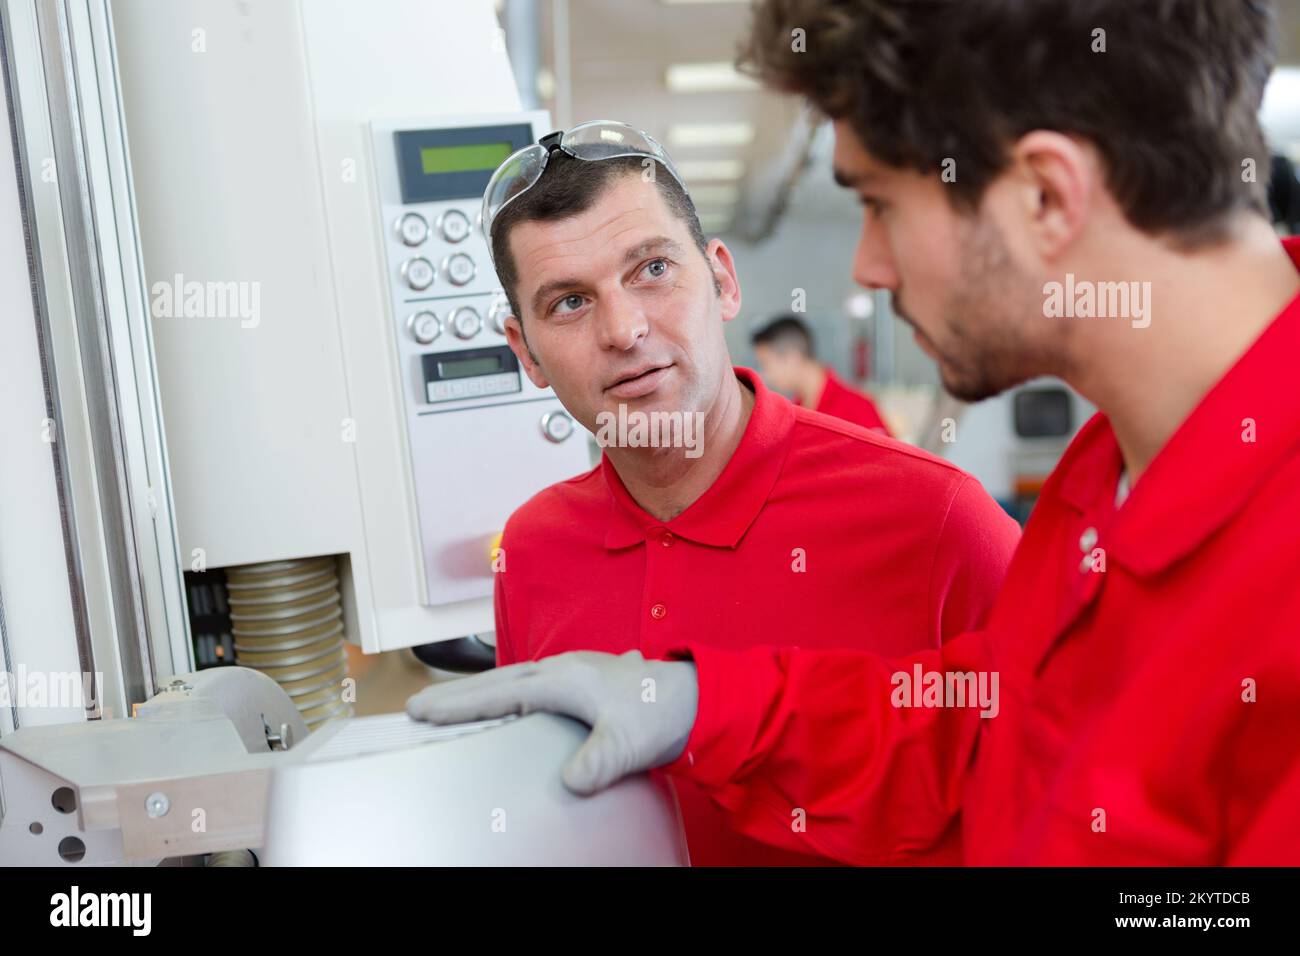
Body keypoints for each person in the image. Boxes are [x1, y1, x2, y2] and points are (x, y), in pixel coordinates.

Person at [408, 0, 1300, 865]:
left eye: (879, 203)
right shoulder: (1105, 482)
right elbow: (988, 740)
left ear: (1045, 195)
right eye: (570, 303)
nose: (867, 264)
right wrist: (701, 706)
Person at [431, 121, 1019, 865]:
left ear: (723, 280)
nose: (625, 328)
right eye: (570, 303)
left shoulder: (938, 521)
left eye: (651, 269)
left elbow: (1076, 785)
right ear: (527, 354)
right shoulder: (533, 549)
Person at [751, 314, 890, 434]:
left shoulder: (857, 407)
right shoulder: (796, 411)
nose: (765, 375)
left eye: (766, 364)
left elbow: (889, 462)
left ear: (791, 358)